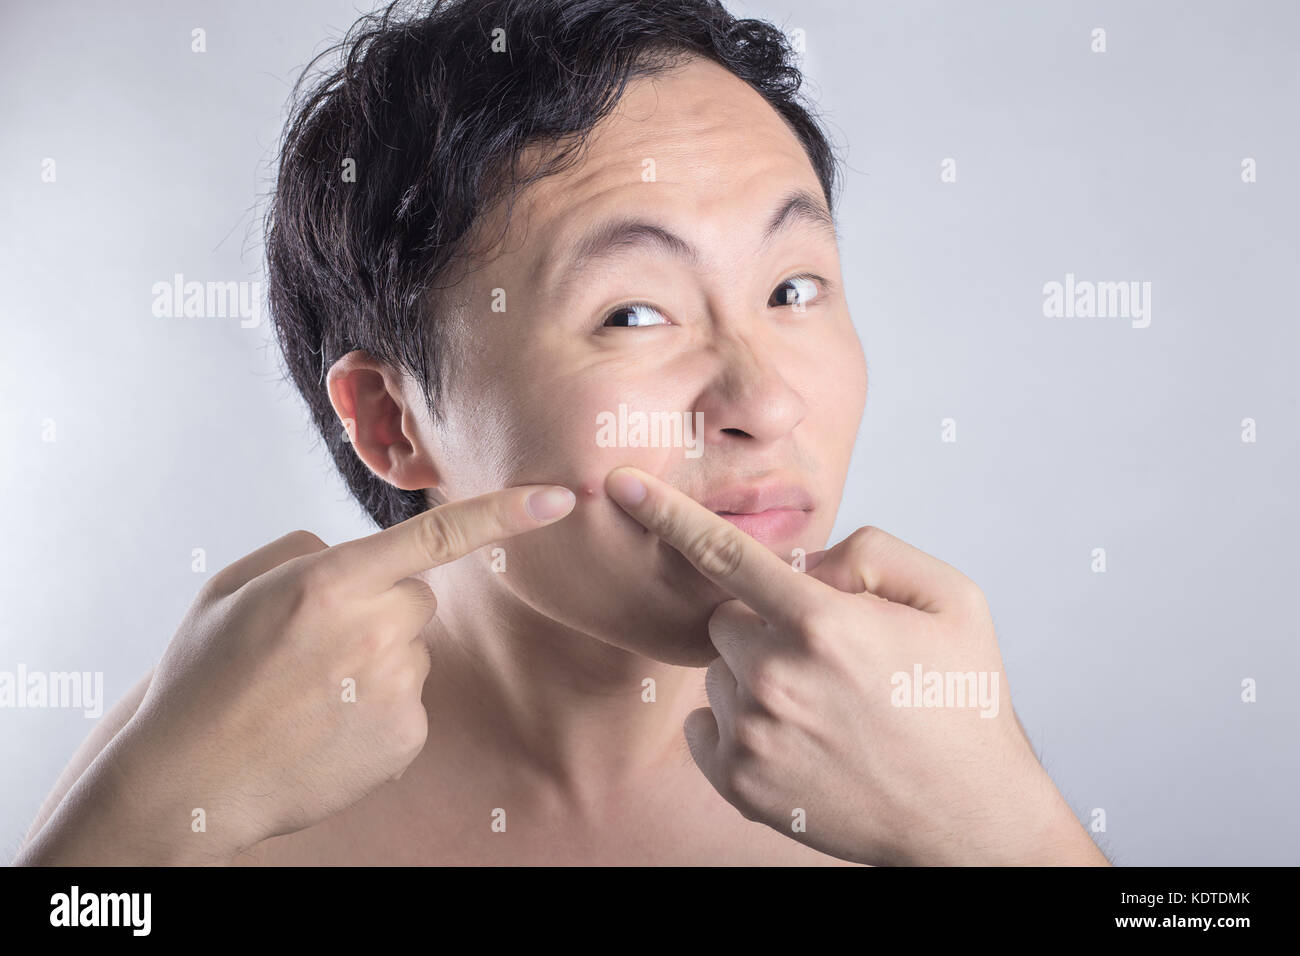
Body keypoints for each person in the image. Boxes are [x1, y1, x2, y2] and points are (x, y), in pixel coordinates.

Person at [15, 0, 1107, 866]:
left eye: (792, 287)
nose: (767, 405)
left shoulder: (917, 749)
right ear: (395, 424)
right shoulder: (215, 768)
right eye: (635, 312)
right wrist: (141, 831)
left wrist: (1012, 837)